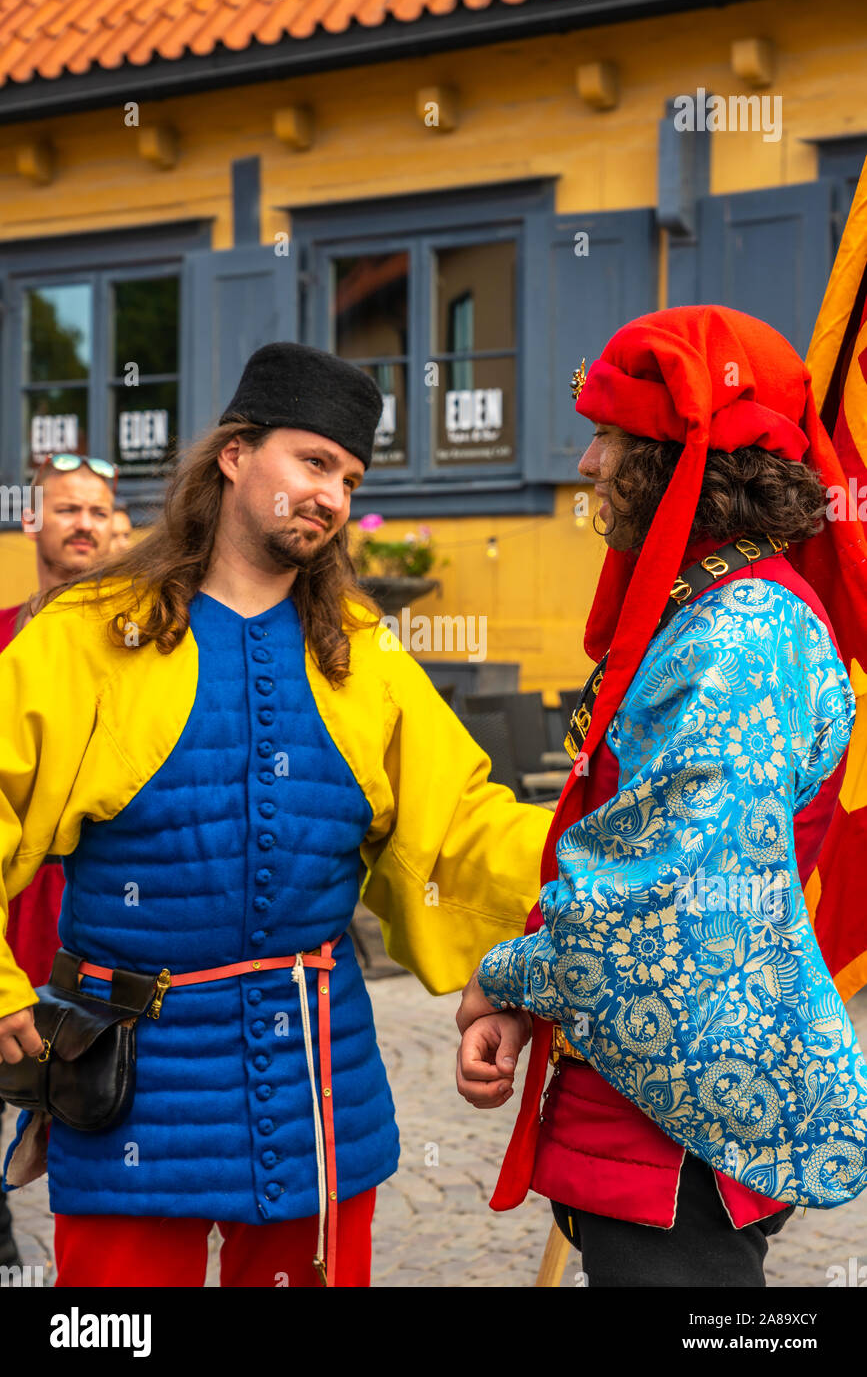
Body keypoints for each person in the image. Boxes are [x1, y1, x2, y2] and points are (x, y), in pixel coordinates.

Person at [0, 342, 552, 1288]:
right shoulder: (85, 636)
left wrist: (606, 861)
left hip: (317, 1088)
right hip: (131, 1091)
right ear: (234, 454)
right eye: (312, 461)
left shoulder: (366, 656)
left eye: (348, 476)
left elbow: (457, 827)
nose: (332, 495)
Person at [456, 305, 867, 1287]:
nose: (589, 465)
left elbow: (665, 900)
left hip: (675, 1131)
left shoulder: (735, 641)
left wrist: (510, 975)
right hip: (650, 1102)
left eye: (610, 438)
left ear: (684, 460)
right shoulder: (718, 613)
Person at [0, 453, 116, 1269]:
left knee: (87, 1101)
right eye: (66, 508)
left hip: (96, 922)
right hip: (11, 906)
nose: (83, 522)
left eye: (98, 511)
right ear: (33, 522)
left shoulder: (144, 640)